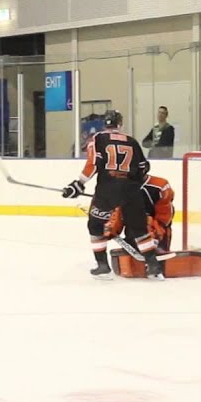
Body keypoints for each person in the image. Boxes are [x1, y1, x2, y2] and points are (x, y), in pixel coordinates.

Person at [62, 109, 164, 280]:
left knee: (95, 225)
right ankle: (153, 266)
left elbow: (93, 164)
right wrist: (130, 185)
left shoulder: (98, 138)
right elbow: (143, 167)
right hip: (132, 190)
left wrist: (79, 184)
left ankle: (102, 265)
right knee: (139, 229)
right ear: (120, 124)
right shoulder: (132, 141)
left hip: (107, 191)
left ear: (105, 123)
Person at [104, 175, 175, 252]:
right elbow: (118, 211)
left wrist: (156, 229)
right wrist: (112, 226)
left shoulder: (159, 185)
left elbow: (165, 214)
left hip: (156, 231)